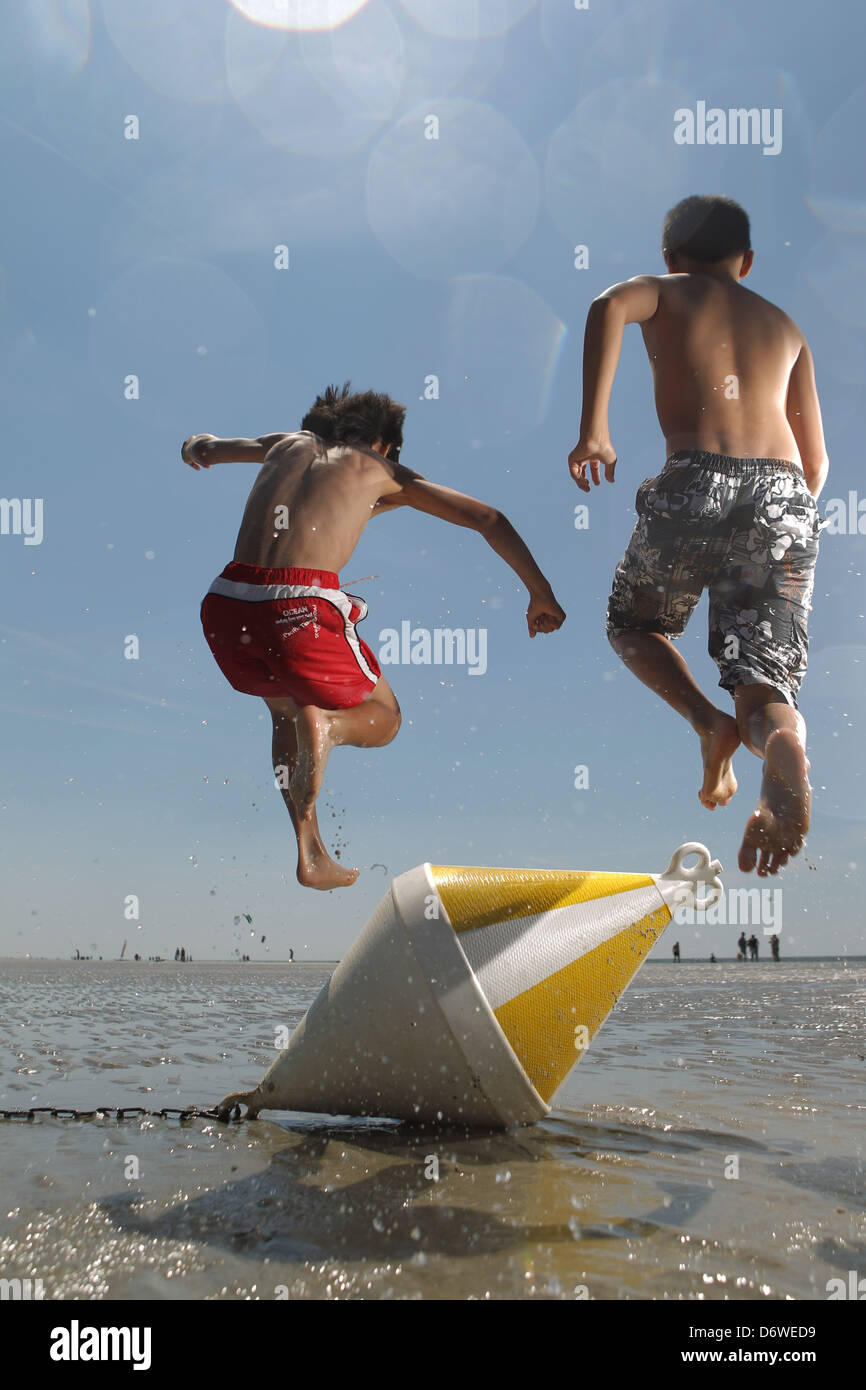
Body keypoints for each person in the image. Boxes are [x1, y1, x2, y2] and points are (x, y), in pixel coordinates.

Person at [189, 384, 565, 891]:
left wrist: (199, 447)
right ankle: (332, 728)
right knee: (384, 719)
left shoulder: (285, 443)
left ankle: (310, 851)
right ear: (384, 443)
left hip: (227, 601)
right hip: (298, 605)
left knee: (284, 711)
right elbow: (487, 518)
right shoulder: (384, 470)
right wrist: (540, 593)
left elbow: (208, 449)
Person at [568, 196, 828, 878]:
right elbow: (818, 462)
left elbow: (608, 306)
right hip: (786, 495)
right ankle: (779, 742)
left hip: (698, 476)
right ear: (746, 262)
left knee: (633, 623)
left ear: (669, 256)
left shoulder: (666, 290)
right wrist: (776, 533)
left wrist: (595, 428)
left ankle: (707, 723)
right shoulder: (786, 326)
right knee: (765, 682)